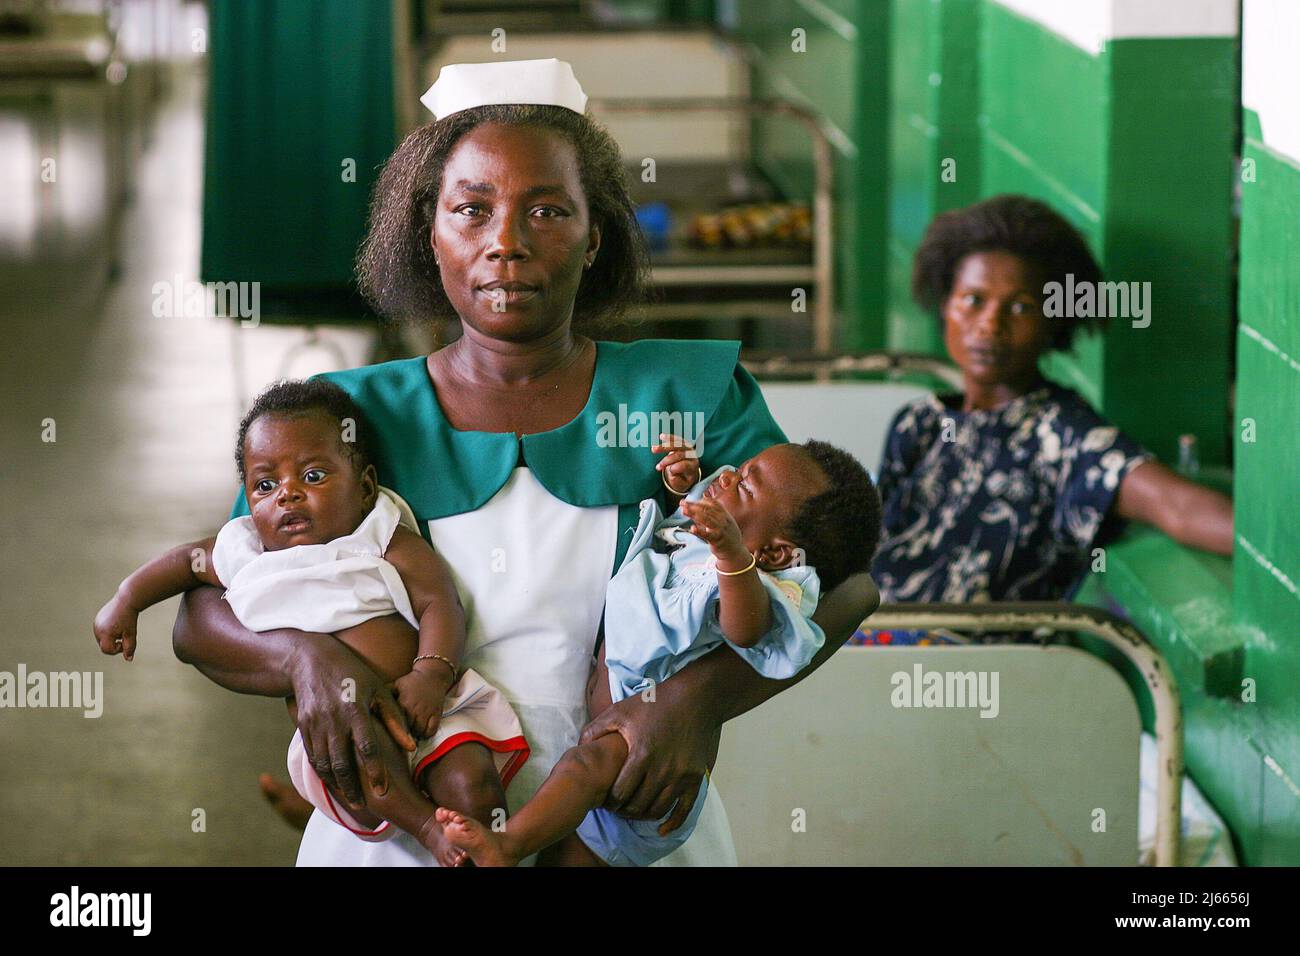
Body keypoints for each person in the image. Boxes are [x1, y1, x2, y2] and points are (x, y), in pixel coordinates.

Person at [170, 58, 880, 866]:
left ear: (594, 234)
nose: (505, 242)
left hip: (619, 825)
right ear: (427, 232)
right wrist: (306, 661)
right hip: (408, 835)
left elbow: (847, 583)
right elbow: (201, 616)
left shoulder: (687, 393)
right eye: (471, 210)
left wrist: (691, 705)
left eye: (547, 210)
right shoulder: (343, 423)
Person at [94, 379, 528, 865]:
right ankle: (428, 830)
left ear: (364, 488)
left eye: (314, 475)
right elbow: (184, 563)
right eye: (265, 485)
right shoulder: (246, 552)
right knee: (370, 771)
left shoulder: (381, 536)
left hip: (429, 704)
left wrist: (430, 673)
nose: (288, 495)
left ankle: (479, 847)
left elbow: (439, 602)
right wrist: (126, 599)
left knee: (473, 785)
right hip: (340, 724)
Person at [439, 437, 881, 866]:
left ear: (776, 553)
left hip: (640, 766)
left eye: (745, 485)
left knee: (581, 768)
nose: (726, 480)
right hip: (615, 752)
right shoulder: (703, 543)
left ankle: (506, 846)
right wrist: (682, 484)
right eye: (742, 470)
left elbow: (746, 631)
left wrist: (730, 555)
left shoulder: (760, 584)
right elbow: (681, 527)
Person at [854, 195, 1232, 643]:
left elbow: (1177, 507)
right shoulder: (917, 424)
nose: (990, 326)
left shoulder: (1066, 436)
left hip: (984, 680)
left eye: (1019, 308)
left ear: (1054, 322)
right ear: (945, 306)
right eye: (973, 300)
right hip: (869, 649)